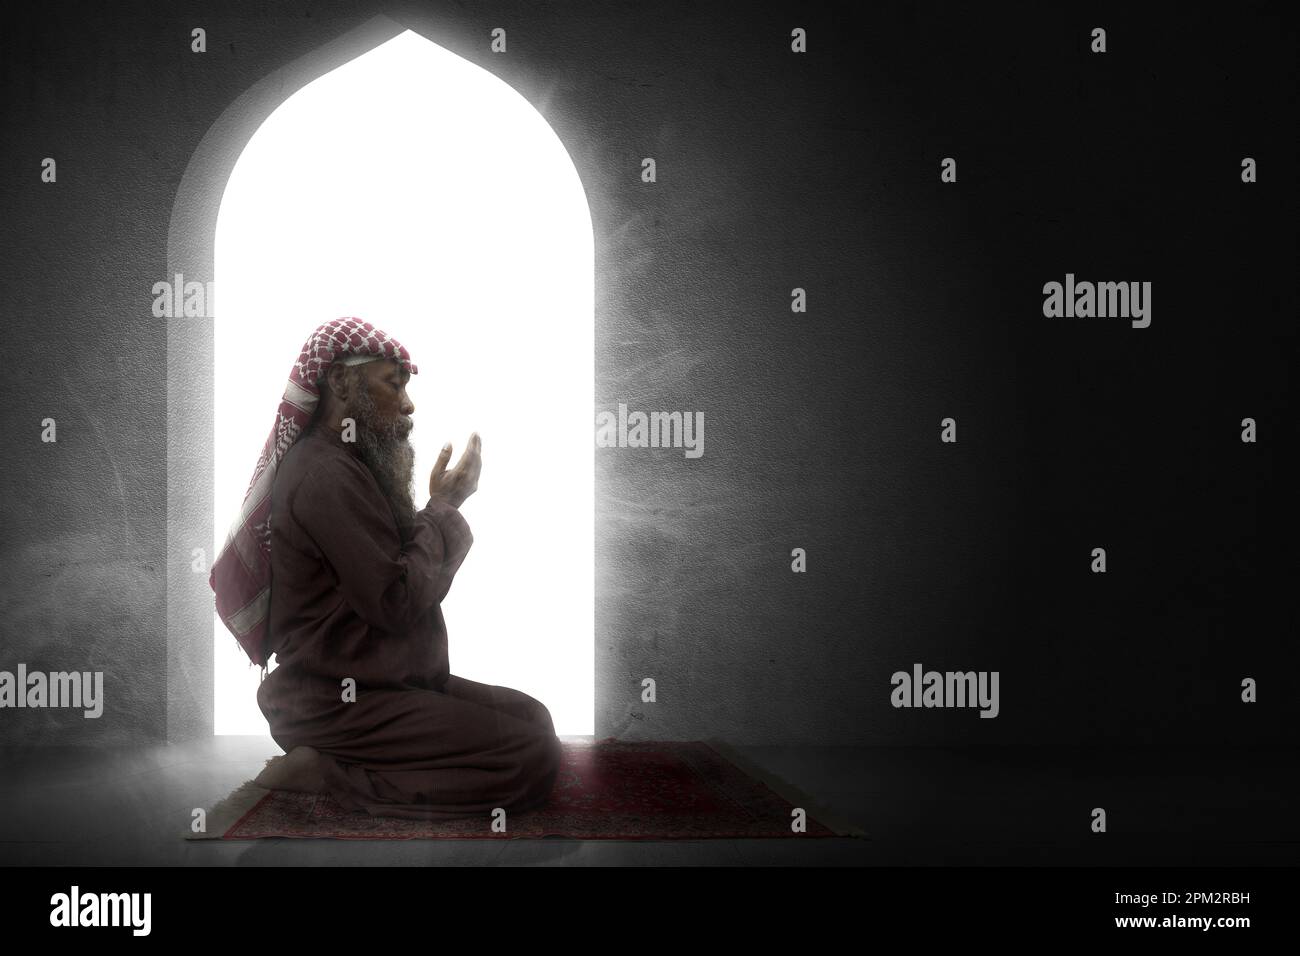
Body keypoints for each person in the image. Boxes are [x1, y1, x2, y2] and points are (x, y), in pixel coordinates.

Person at [210, 318, 561, 821]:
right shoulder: (324, 474)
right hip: (336, 701)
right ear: (340, 382)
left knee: (534, 719)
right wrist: (443, 507)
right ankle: (330, 774)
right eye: (394, 385)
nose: (409, 404)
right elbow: (395, 600)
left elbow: (400, 572)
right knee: (531, 754)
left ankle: (351, 761)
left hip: (383, 683)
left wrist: (440, 508)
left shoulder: (347, 463)